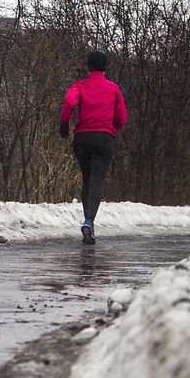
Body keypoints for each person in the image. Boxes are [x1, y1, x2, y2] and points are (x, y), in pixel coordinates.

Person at [59, 49, 128, 245]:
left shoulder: (79, 86)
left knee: (87, 178)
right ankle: (89, 222)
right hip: (104, 138)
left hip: (83, 138)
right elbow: (122, 117)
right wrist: (111, 128)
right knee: (97, 180)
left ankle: (88, 222)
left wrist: (64, 125)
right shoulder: (113, 88)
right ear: (106, 67)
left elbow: (69, 102)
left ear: (88, 67)